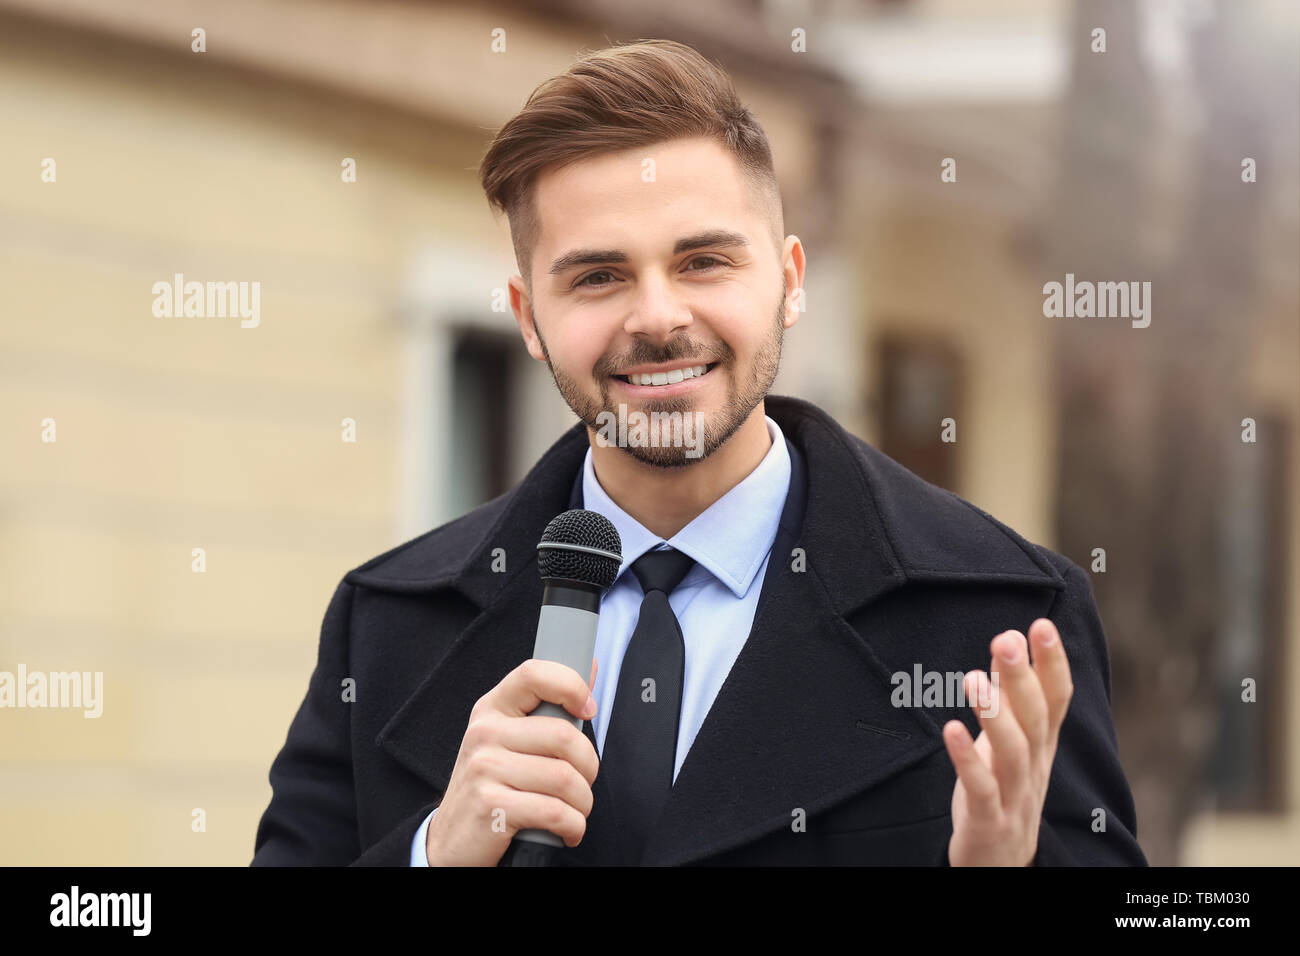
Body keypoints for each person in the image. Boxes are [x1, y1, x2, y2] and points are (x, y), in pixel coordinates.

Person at [252, 39, 1146, 867]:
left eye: (704, 262)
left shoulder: (1004, 622)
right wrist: (434, 855)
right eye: (599, 276)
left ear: (790, 282)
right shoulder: (386, 626)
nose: (657, 318)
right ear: (529, 319)